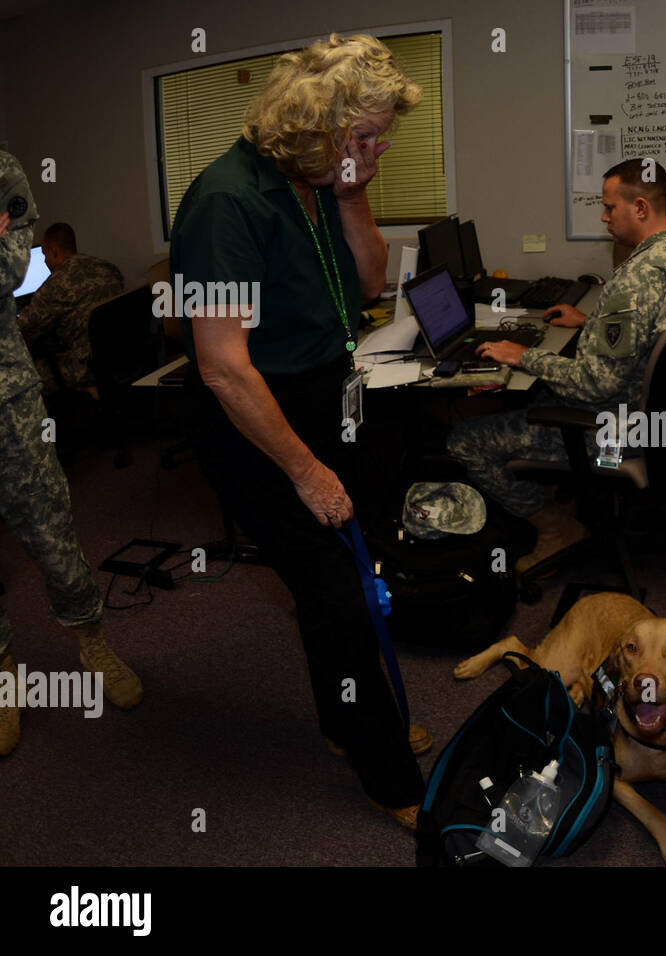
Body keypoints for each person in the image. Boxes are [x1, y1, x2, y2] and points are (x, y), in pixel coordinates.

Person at [169, 35, 429, 829]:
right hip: (253, 416)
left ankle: (344, 721)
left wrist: (354, 189)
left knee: (354, 566)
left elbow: (374, 281)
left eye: (383, 136)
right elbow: (222, 367)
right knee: (336, 590)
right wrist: (306, 471)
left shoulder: (318, 180)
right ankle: (393, 780)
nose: (376, 151)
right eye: (364, 138)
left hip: (324, 392)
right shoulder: (227, 201)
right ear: (313, 125)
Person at [448, 158, 666, 570]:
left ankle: (557, 527)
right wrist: (592, 321)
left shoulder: (633, 283)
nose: (604, 215)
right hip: (663, 426)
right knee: (535, 391)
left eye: (611, 207)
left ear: (641, 208)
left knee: (464, 441)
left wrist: (522, 354)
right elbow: (646, 329)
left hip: (612, 433)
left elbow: (595, 385)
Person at [0, 153, 141, 756]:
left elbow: (9, 268)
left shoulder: (2, 170)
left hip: (7, 401)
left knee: (51, 531)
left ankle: (91, 641)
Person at [17, 222, 123, 394]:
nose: (45, 261)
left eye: (45, 254)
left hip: (83, 368)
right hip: (120, 357)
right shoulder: (108, 269)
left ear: (54, 251)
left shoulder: (55, 286)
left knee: (19, 375)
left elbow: (23, 331)